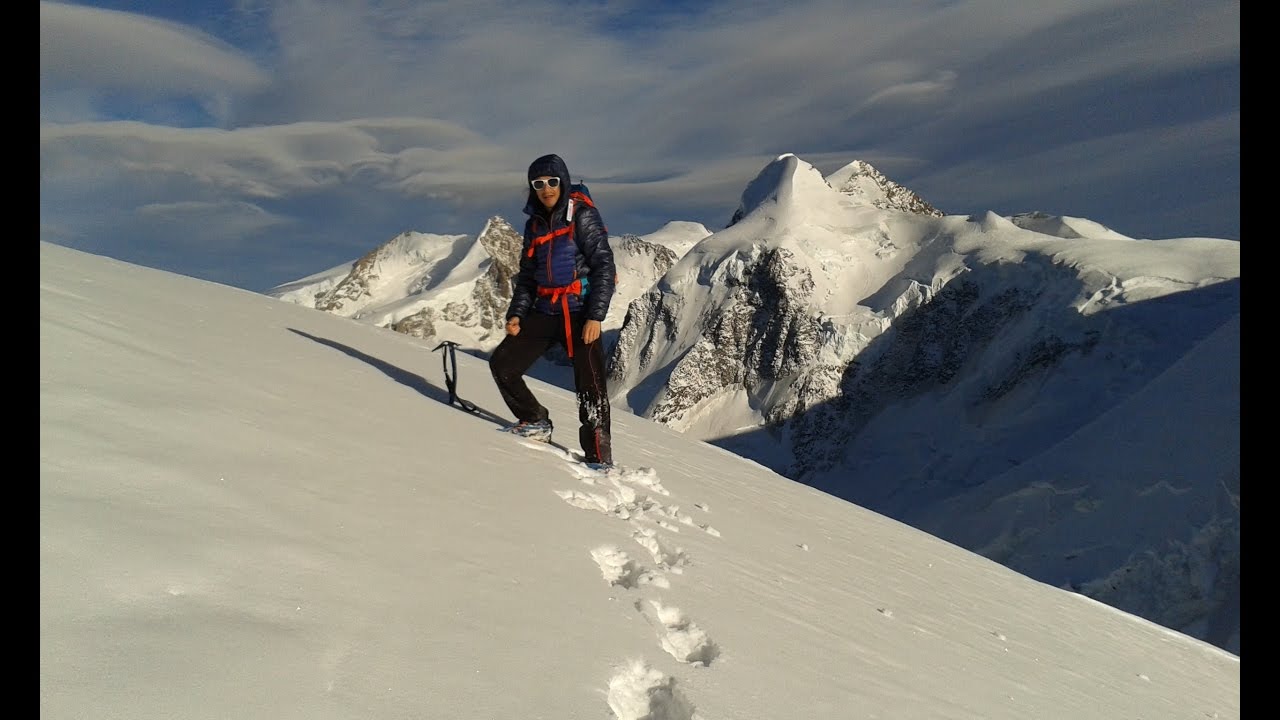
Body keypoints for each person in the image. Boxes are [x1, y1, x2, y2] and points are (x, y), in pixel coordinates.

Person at [489, 154, 616, 468]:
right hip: (545, 311)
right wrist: (516, 314)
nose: (546, 188)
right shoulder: (534, 225)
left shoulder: (582, 216)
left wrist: (594, 317)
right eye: (538, 183)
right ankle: (535, 420)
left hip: (579, 311)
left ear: (563, 181)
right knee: (503, 363)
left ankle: (598, 458)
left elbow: (604, 267)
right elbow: (528, 276)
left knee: (591, 388)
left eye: (552, 182)